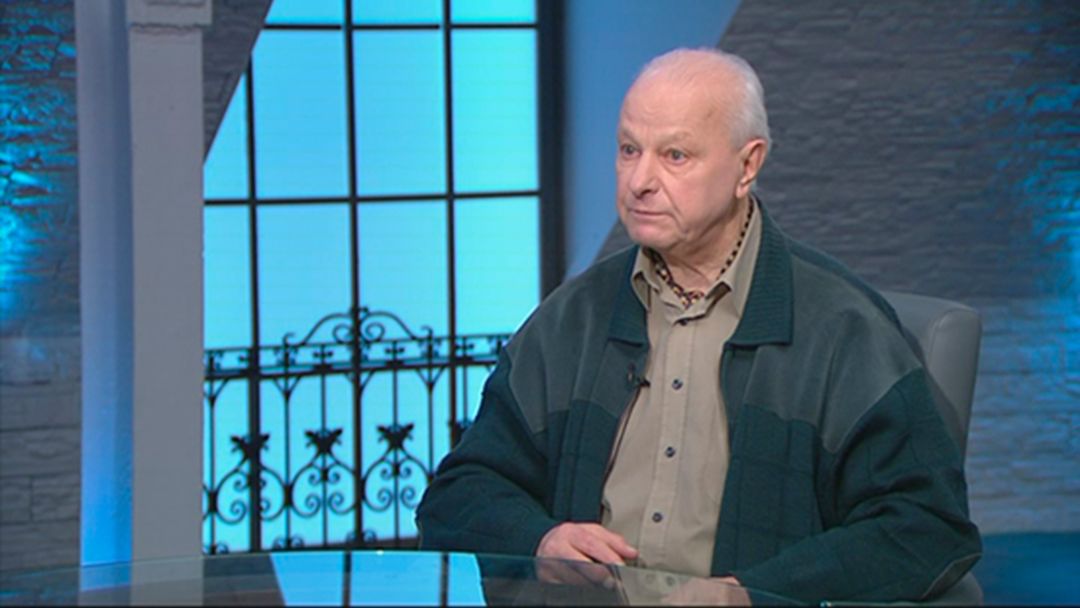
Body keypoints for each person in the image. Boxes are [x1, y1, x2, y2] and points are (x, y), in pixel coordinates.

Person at [416, 47, 981, 603]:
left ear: (747, 166)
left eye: (675, 156)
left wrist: (750, 595)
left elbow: (927, 527)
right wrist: (540, 541)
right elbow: (459, 493)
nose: (640, 180)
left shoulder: (841, 328)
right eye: (629, 149)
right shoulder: (573, 318)